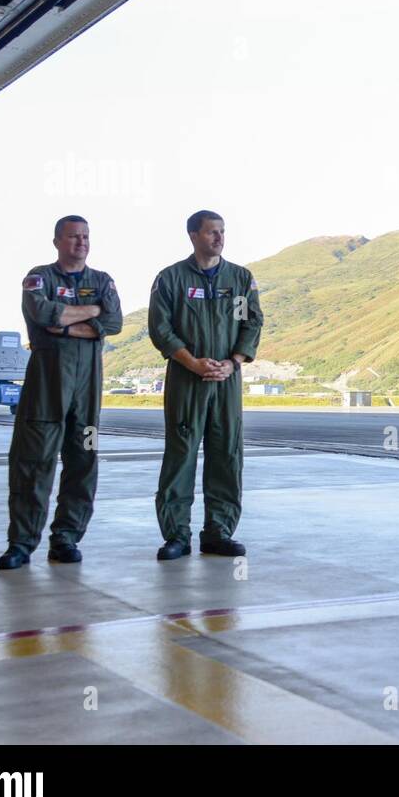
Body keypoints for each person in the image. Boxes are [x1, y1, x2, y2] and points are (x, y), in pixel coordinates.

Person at [0, 216, 122, 569]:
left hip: (87, 390)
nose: (81, 242)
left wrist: (65, 326)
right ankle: (21, 544)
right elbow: (40, 313)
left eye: (85, 236)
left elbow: (113, 321)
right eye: (73, 236)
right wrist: (91, 315)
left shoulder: (102, 280)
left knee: (83, 462)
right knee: (32, 464)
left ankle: (66, 538)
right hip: (46, 385)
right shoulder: (40, 276)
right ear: (57, 242)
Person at [149, 210, 262, 560]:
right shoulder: (171, 279)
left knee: (226, 453)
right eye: (212, 232)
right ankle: (176, 535)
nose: (219, 238)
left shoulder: (240, 279)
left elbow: (251, 323)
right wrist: (192, 362)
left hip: (226, 380)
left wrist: (234, 362)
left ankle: (219, 531)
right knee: (181, 455)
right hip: (187, 379)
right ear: (193, 235)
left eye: (222, 232)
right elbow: (161, 328)